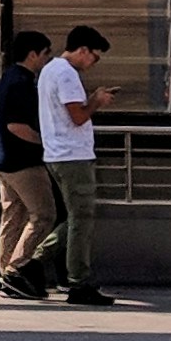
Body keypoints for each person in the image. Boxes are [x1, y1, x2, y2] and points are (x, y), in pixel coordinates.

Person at [0, 27, 53, 298]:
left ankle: (6, 274)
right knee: (44, 214)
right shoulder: (22, 83)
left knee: (12, 217)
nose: (47, 59)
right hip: (24, 162)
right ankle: (17, 270)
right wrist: (48, 143)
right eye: (46, 54)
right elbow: (17, 126)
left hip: (2, 162)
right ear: (33, 54)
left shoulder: (6, 79)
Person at [35, 25, 118, 307]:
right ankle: (77, 281)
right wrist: (95, 101)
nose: (94, 63)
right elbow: (78, 116)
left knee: (75, 218)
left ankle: (30, 267)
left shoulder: (49, 70)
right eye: (94, 57)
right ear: (82, 50)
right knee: (81, 220)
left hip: (58, 154)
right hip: (72, 156)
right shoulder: (67, 74)